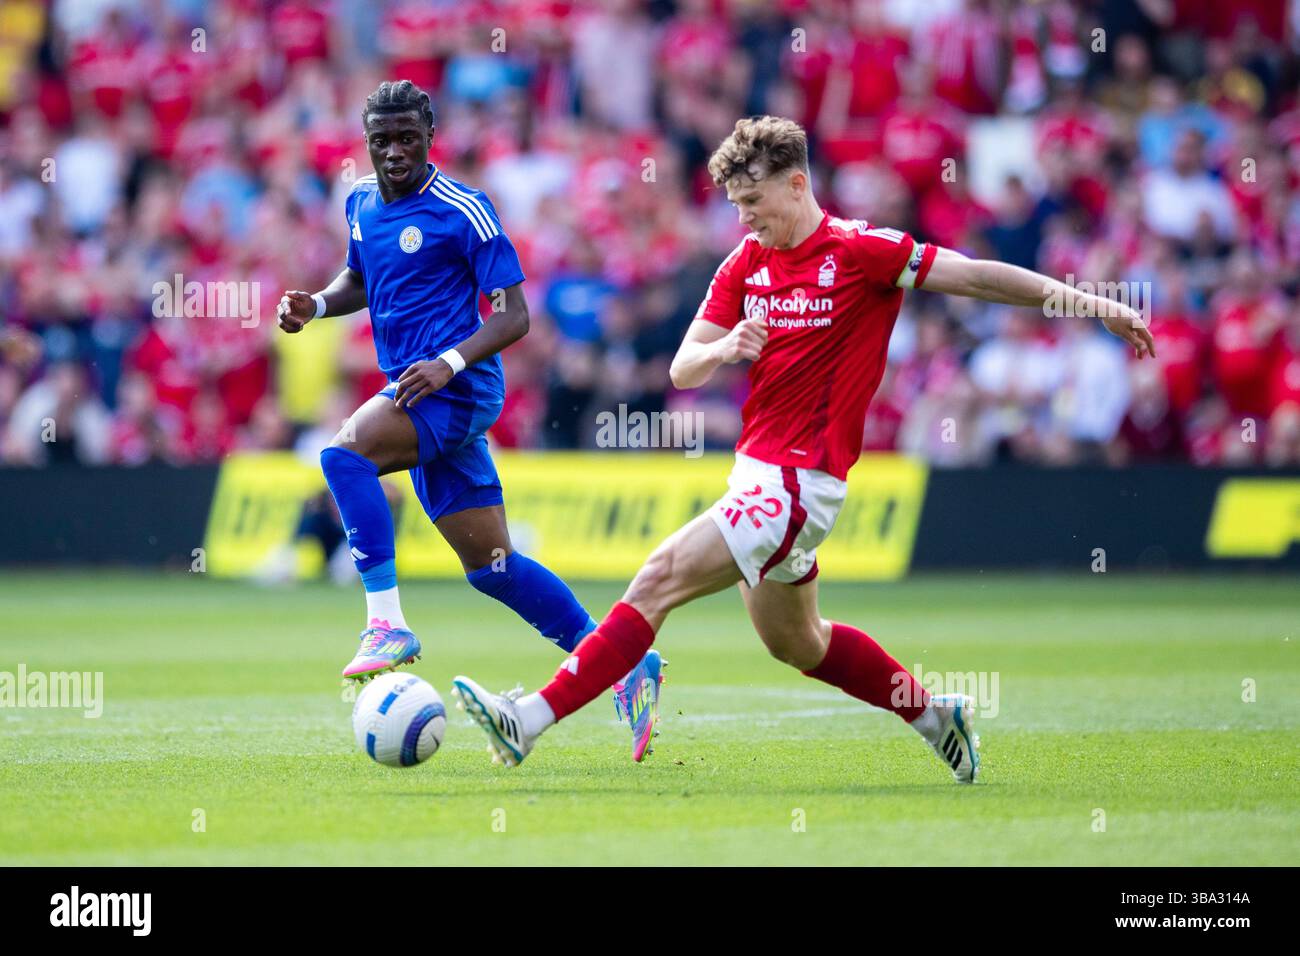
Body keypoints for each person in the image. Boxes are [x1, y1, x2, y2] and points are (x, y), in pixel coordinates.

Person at [451, 115, 1156, 781]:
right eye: (734, 204)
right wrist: (725, 347)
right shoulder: (745, 262)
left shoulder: (861, 251)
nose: (745, 217)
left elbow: (976, 276)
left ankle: (528, 719)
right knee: (799, 643)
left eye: (753, 200)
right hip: (756, 478)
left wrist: (1092, 305)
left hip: (798, 483)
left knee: (658, 577)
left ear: (797, 184)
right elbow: (681, 368)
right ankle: (937, 715)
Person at [276, 80, 658, 754]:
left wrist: (448, 363)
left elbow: (514, 314)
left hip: (458, 386)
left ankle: (386, 622)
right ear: (367, 143)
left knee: (343, 455)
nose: (394, 151)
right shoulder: (361, 203)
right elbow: (360, 280)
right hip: (419, 389)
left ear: (430, 136)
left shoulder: (464, 208)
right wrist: (316, 303)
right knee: (493, 566)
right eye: (381, 140)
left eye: (407, 138)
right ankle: (623, 664)